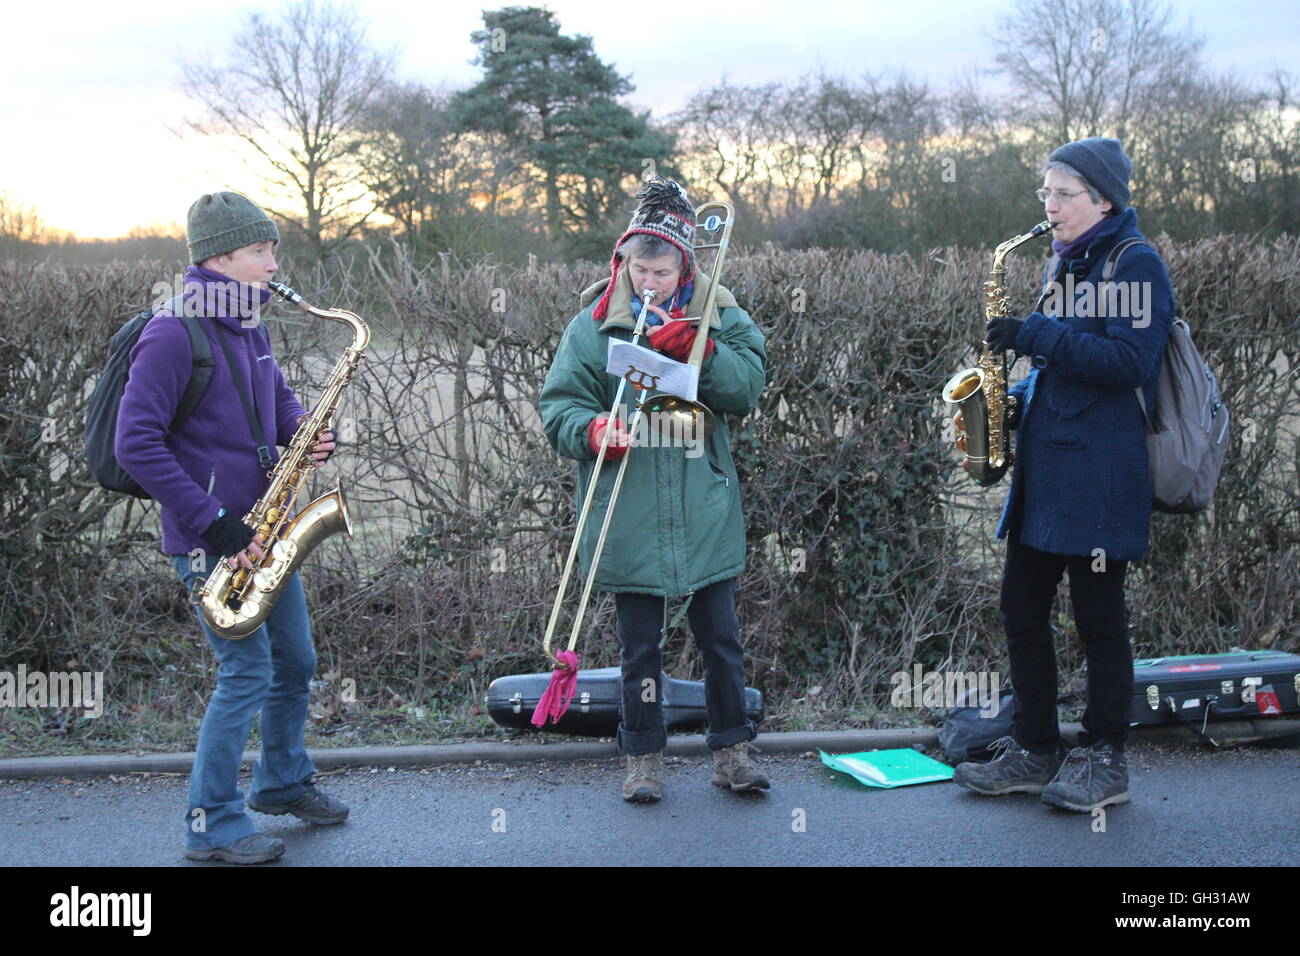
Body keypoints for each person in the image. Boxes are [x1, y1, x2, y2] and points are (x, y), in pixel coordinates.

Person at [116, 191, 346, 863]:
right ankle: (211, 822)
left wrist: (304, 432)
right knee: (245, 673)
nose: (275, 261)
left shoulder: (249, 324)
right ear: (219, 259)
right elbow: (137, 444)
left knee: (296, 662)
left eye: (272, 248)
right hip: (212, 542)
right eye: (260, 250)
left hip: (265, 535)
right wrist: (214, 524)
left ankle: (281, 783)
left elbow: (275, 405)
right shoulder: (172, 331)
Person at [952, 137, 1174, 812]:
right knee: (1020, 606)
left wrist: (1033, 335)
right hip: (1049, 474)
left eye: (1062, 193)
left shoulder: (1135, 264)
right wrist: (1008, 401)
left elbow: (1128, 362)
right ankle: (1036, 747)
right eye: (1044, 192)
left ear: (1103, 198)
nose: (1049, 205)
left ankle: (1106, 759)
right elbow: (1061, 366)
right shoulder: (1066, 260)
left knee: (1099, 621)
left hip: (1101, 477)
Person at [539, 178, 769, 803]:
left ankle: (734, 751)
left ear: (685, 265)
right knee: (639, 648)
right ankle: (642, 759)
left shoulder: (724, 313)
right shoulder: (590, 328)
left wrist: (704, 351)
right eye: (639, 268)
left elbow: (747, 390)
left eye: (663, 270)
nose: (650, 282)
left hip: (703, 507)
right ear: (622, 262)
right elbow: (557, 406)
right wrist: (591, 430)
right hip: (629, 513)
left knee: (721, 641)